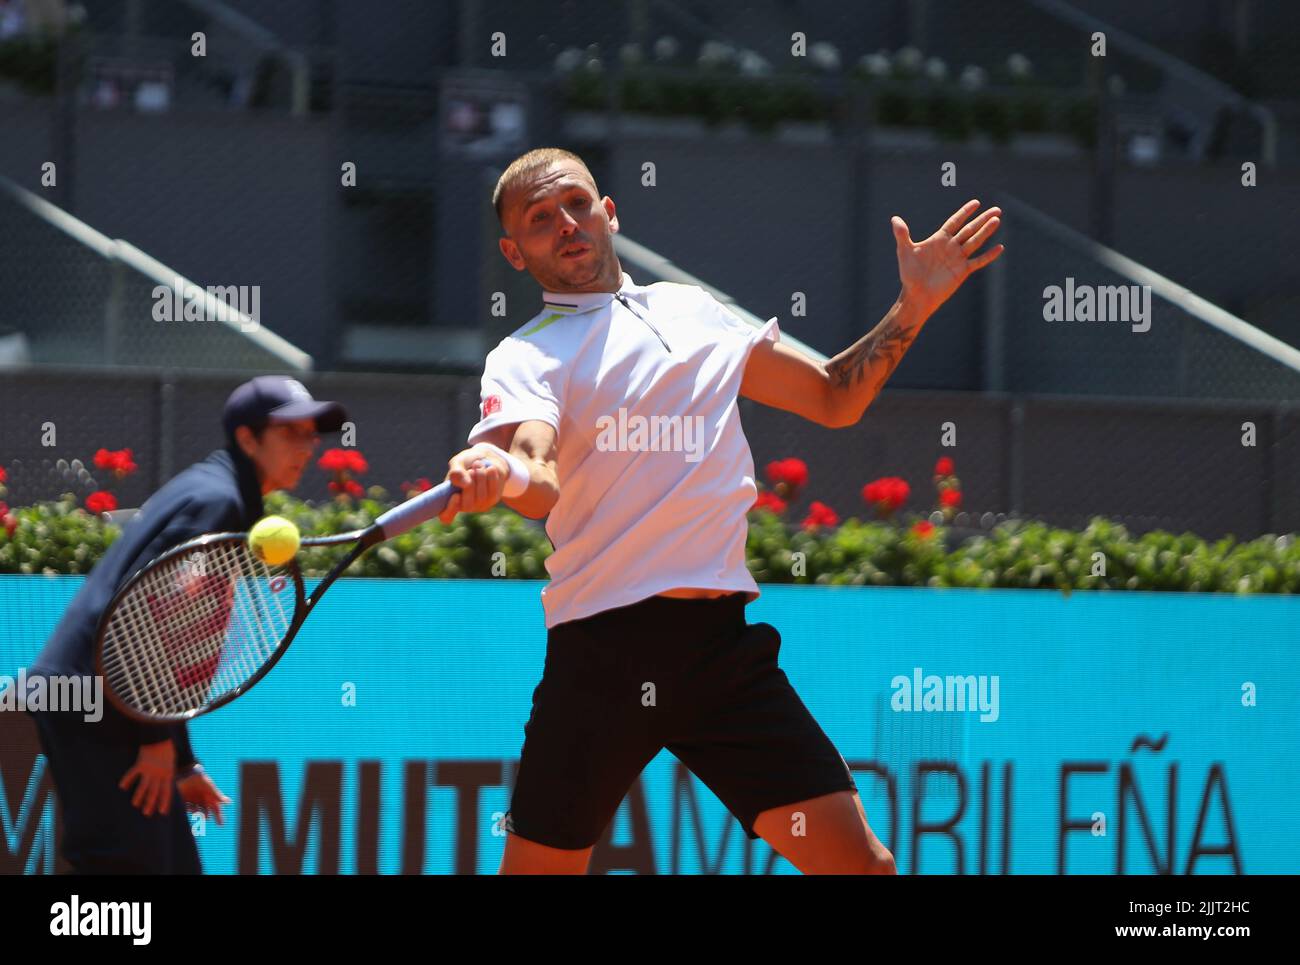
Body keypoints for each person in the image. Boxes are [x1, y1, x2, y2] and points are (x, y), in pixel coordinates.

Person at [441, 147, 1003, 874]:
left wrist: (915, 305)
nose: (567, 224)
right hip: (602, 657)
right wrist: (501, 469)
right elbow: (539, 473)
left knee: (861, 866)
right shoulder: (526, 357)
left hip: (720, 655)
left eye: (577, 204)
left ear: (610, 213)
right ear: (515, 254)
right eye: (541, 219)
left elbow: (835, 396)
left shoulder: (694, 310)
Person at [25, 375, 348, 873]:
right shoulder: (218, 501)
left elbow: (171, 631)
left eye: (311, 434)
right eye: (290, 433)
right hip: (99, 703)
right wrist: (156, 741)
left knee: (168, 864)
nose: (307, 447)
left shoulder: (219, 490)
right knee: (124, 866)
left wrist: (180, 759)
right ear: (247, 437)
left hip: (105, 698)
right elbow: (156, 619)